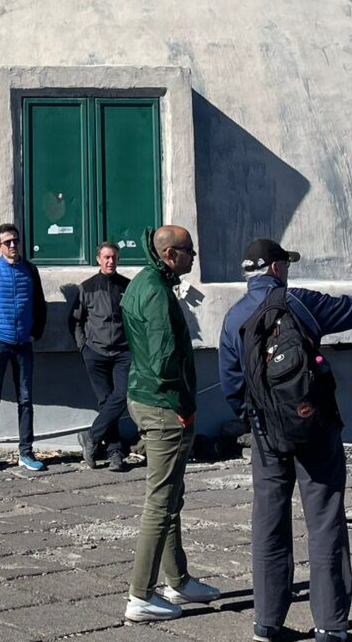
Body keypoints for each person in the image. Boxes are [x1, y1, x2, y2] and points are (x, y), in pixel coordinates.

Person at [217, 238, 352, 642]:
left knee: (269, 522)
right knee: (326, 519)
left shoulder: (232, 318)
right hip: (314, 427)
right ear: (276, 269)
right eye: (286, 265)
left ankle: (267, 621)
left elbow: (231, 385)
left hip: (266, 434)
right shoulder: (300, 303)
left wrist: (254, 421)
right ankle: (330, 625)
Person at [118, 225, 221, 623]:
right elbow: (163, 361)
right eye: (189, 251)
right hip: (163, 405)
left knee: (171, 496)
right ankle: (140, 596)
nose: (194, 257)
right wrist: (182, 405)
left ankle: (177, 580)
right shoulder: (157, 292)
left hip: (144, 396)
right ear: (168, 254)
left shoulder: (143, 281)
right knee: (160, 503)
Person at [0, 222, 48, 473]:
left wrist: (35, 333)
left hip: (23, 345)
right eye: (7, 242)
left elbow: (40, 305)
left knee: (26, 400)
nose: (13, 245)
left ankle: (26, 452)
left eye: (15, 240)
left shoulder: (30, 270)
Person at [70, 240, 132, 471]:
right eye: (106, 257)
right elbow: (75, 320)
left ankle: (92, 437)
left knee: (122, 396)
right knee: (106, 402)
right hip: (95, 353)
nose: (110, 261)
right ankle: (115, 452)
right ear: (98, 259)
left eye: (114, 257)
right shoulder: (87, 287)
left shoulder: (127, 285)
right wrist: (83, 347)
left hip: (123, 352)